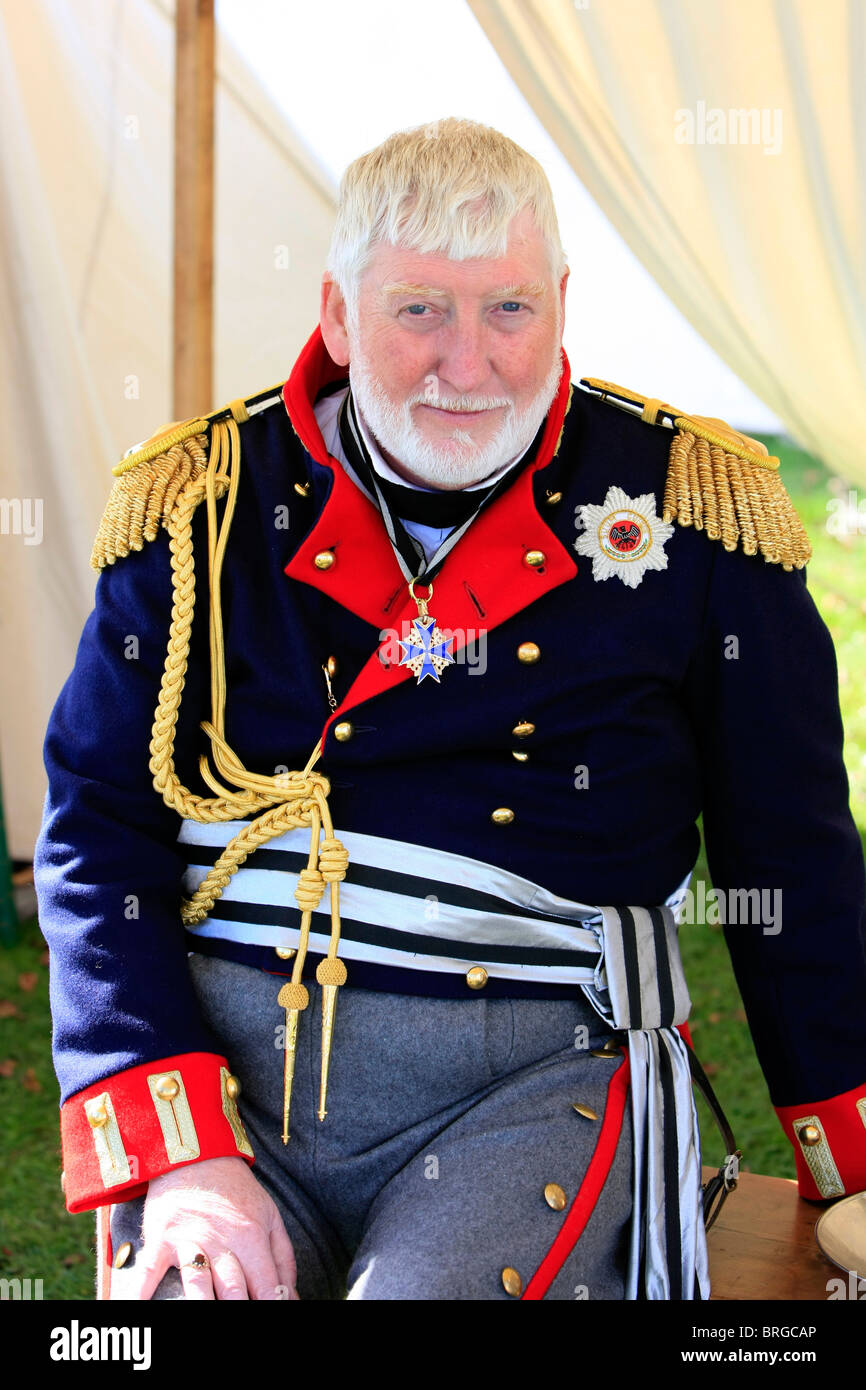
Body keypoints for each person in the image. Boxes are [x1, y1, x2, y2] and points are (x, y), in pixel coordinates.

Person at [35, 118, 866, 1302]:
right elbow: (98, 827)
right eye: (419, 308)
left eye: (508, 310)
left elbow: (787, 851)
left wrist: (846, 1148)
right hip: (234, 1094)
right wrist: (182, 1156)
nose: (467, 363)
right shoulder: (201, 505)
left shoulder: (692, 515)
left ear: (561, 305)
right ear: (335, 312)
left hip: (532, 1083)